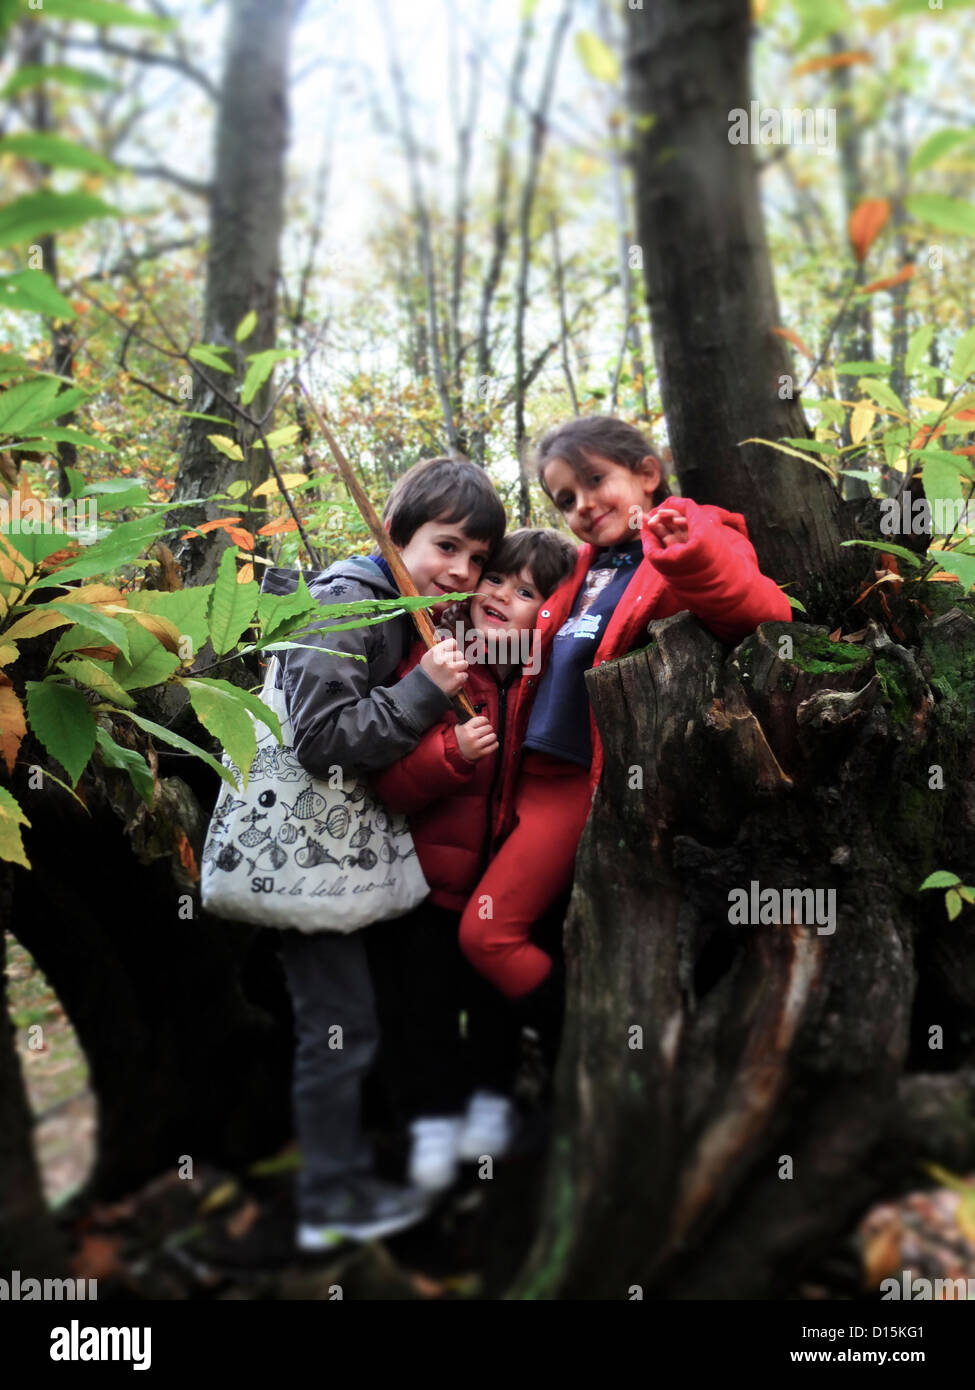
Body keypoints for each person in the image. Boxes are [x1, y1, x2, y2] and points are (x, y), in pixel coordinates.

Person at [457, 415, 793, 1017]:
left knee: (487, 935)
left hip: (581, 785)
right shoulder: (584, 568)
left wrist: (688, 554)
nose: (583, 504)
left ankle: (577, 1032)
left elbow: (764, 613)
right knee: (544, 925)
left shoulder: (693, 535)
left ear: (645, 474)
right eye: (566, 498)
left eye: (595, 480)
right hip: (524, 777)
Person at [271, 455, 506, 1249]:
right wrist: (424, 692)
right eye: (446, 547)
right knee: (336, 1027)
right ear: (395, 532)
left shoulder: (398, 609)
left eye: (476, 559)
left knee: (353, 1023)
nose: (461, 571)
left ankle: (345, 1178)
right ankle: (327, 1206)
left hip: (338, 858)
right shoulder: (347, 601)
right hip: (302, 857)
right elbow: (322, 740)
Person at [369, 528, 577, 1191]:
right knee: (421, 1023)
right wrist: (450, 752)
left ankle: (490, 1130)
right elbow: (392, 786)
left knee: (494, 1020)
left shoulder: (545, 681)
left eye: (525, 593)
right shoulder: (440, 660)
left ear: (549, 615)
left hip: (499, 892)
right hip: (424, 893)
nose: (499, 596)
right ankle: (430, 1144)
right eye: (496, 578)